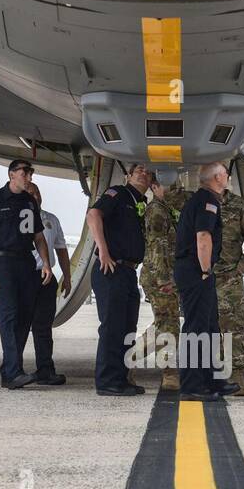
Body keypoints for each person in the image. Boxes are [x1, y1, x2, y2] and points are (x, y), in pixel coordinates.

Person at [0, 160, 53, 389]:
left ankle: (10, 371)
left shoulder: (30, 202)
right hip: (4, 262)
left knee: (24, 318)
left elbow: (39, 237)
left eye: (30, 173)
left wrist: (47, 264)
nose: (29, 177)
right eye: (24, 173)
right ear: (12, 174)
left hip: (27, 263)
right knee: (9, 317)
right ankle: (13, 371)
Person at [174, 163, 238, 401]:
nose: (228, 177)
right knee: (196, 328)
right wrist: (205, 269)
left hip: (196, 271)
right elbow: (203, 237)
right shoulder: (207, 202)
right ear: (218, 177)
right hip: (196, 271)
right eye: (225, 173)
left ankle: (212, 380)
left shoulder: (204, 199)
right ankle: (192, 385)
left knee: (210, 327)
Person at [85, 162, 150, 397]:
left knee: (127, 328)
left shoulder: (142, 203)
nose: (144, 174)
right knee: (112, 327)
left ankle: (121, 378)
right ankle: (107, 381)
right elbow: (93, 214)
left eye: (147, 172)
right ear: (127, 176)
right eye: (139, 171)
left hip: (128, 272)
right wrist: (102, 250)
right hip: (111, 268)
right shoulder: (118, 193)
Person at [214, 175, 244, 396]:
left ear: (229, 179)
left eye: (222, 175)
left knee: (234, 326)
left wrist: (242, 267)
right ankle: (211, 373)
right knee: (205, 326)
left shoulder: (239, 205)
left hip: (230, 277)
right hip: (203, 277)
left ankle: (237, 376)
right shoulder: (198, 203)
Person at [141, 176, 188, 392]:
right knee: (169, 325)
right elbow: (157, 246)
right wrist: (163, 279)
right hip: (160, 277)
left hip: (166, 276)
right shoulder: (156, 210)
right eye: (170, 186)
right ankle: (169, 373)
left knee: (164, 323)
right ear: (155, 187)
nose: (175, 190)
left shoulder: (167, 209)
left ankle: (129, 357)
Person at [26, 181, 72, 386]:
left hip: (45, 278)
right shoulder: (14, 218)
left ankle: (45, 369)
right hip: (22, 277)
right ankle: (13, 369)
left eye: (37, 192)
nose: (35, 196)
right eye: (31, 193)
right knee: (18, 326)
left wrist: (67, 277)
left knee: (43, 326)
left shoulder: (51, 220)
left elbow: (61, 249)